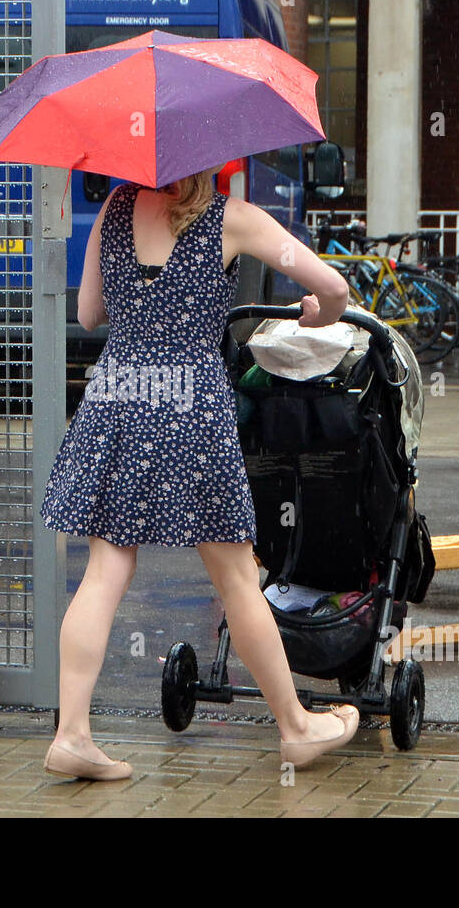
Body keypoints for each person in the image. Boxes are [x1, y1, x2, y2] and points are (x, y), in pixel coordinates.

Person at [40, 165, 363, 781]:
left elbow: (87, 315)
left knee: (106, 566)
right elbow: (334, 287)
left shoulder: (114, 208)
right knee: (238, 578)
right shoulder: (232, 219)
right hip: (192, 405)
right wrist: (317, 316)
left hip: (116, 394)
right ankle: (296, 728)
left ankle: (72, 734)